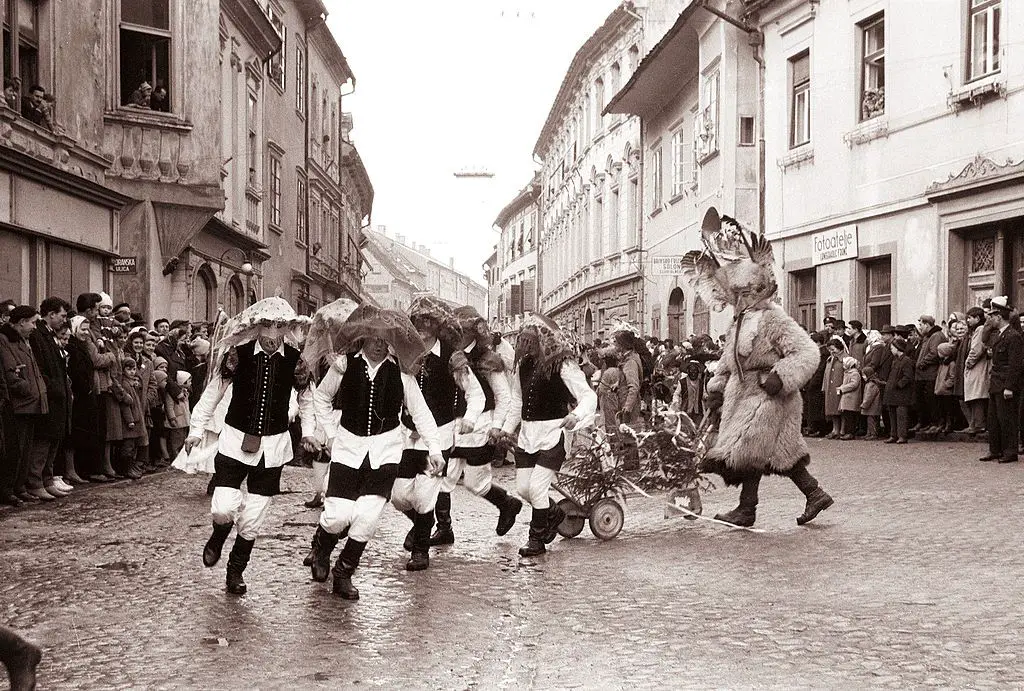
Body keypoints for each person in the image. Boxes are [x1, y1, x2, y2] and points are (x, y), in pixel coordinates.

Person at [681, 216, 833, 528]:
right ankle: (812, 493)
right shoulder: (739, 322)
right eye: (735, 295)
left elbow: (807, 351)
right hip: (744, 393)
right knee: (777, 454)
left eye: (743, 293)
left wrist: (780, 377)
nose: (737, 300)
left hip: (769, 395)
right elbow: (729, 358)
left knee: (746, 449)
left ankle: (747, 509)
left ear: (756, 290)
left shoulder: (773, 318)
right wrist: (718, 383)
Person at [306, 302, 443, 600]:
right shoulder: (344, 366)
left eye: (385, 340)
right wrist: (330, 434)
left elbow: (420, 412)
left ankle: (344, 572)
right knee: (337, 517)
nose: (379, 345)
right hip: (347, 449)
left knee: (367, 518)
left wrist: (435, 447)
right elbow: (321, 399)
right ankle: (322, 547)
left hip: (385, 453)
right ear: (364, 338)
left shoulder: (403, 374)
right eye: (374, 339)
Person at [184, 297, 317, 595]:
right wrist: (196, 429)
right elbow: (212, 394)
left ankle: (235, 571)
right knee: (222, 510)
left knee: (253, 518)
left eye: (278, 330)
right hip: (234, 441)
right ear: (257, 327)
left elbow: (307, 401)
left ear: (286, 330)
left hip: (273, 448)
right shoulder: (237, 355)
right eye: (266, 329)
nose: (271, 338)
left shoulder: (296, 360)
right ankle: (219, 535)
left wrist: (308, 432)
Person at [392, 296, 484, 571]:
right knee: (398, 495)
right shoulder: (406, 353)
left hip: (440, 435)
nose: (421, 327)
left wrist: (469, 419)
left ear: (437, 325)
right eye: (417, 321)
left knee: (426, 495)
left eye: (426, 322)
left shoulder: (452, 357)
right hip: (408, 434)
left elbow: (476, 394)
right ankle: (424, 523)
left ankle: (420, 551)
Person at [501, 313, 597, 556]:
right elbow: (516, 402)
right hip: (527, 435)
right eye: (523, 342)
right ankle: (554, 514)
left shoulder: (562, 364)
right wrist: (505, 430)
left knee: (536, 488)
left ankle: (537, 539)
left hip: (554, 432)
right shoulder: (522, 366)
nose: (526, 347)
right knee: (523, 489)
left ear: (544, 340)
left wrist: (577, 415)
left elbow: (588, 395)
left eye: (530, 342)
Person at [432, 305, 521, 546]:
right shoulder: (452, 355)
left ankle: (508, 504)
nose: (457, 333)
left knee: (475, 483)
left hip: (480, 427)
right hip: (453, 425)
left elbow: (504, 397)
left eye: (463, 329)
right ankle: (444, 529)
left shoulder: (486, 359)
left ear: (474, 331)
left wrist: (498, 427)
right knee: (443, 479)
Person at [0, 306, 49, 503]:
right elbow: (12, 373)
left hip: (30, 403)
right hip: (19, 404)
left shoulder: (22, 340)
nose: (34, 327)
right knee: (15, 449)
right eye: (33, 322)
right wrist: (29, 389)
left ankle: (19, 486)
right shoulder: (5, 340)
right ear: (21, 322)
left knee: (25, 449)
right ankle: (8, 488)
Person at [27, 297, 73, 497]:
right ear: (51, 314)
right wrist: (54, 387)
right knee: (44, 440)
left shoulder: (50, 335)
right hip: (49, 396)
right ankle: (35, 481)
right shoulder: (38, 335)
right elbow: (39, 367)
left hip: (58, 396)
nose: (64, 320)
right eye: (62, 315)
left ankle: (47, 479)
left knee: (54, 439)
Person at [979, 297, 1023, 464]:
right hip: (996, 383)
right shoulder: (1000, 335)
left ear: (999, 316)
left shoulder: (1013, 336)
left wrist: (1010, 387)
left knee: (1007, 419)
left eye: (992, 315)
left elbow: (1015, 365)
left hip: (1005, 383)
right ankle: (995, 449)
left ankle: (1010, 451)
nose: (989, 318)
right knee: (994, 419)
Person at [882, 337, 914, 444]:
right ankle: (894, 434)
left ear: (898, 348)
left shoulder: (906, 361)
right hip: (893, 392)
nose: (891, 350)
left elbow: (908, 376)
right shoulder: (896, 360)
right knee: (893, 415)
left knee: (901, 416)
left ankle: (902, 435)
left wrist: (898, 385)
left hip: (901, 393)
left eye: (892, 348)